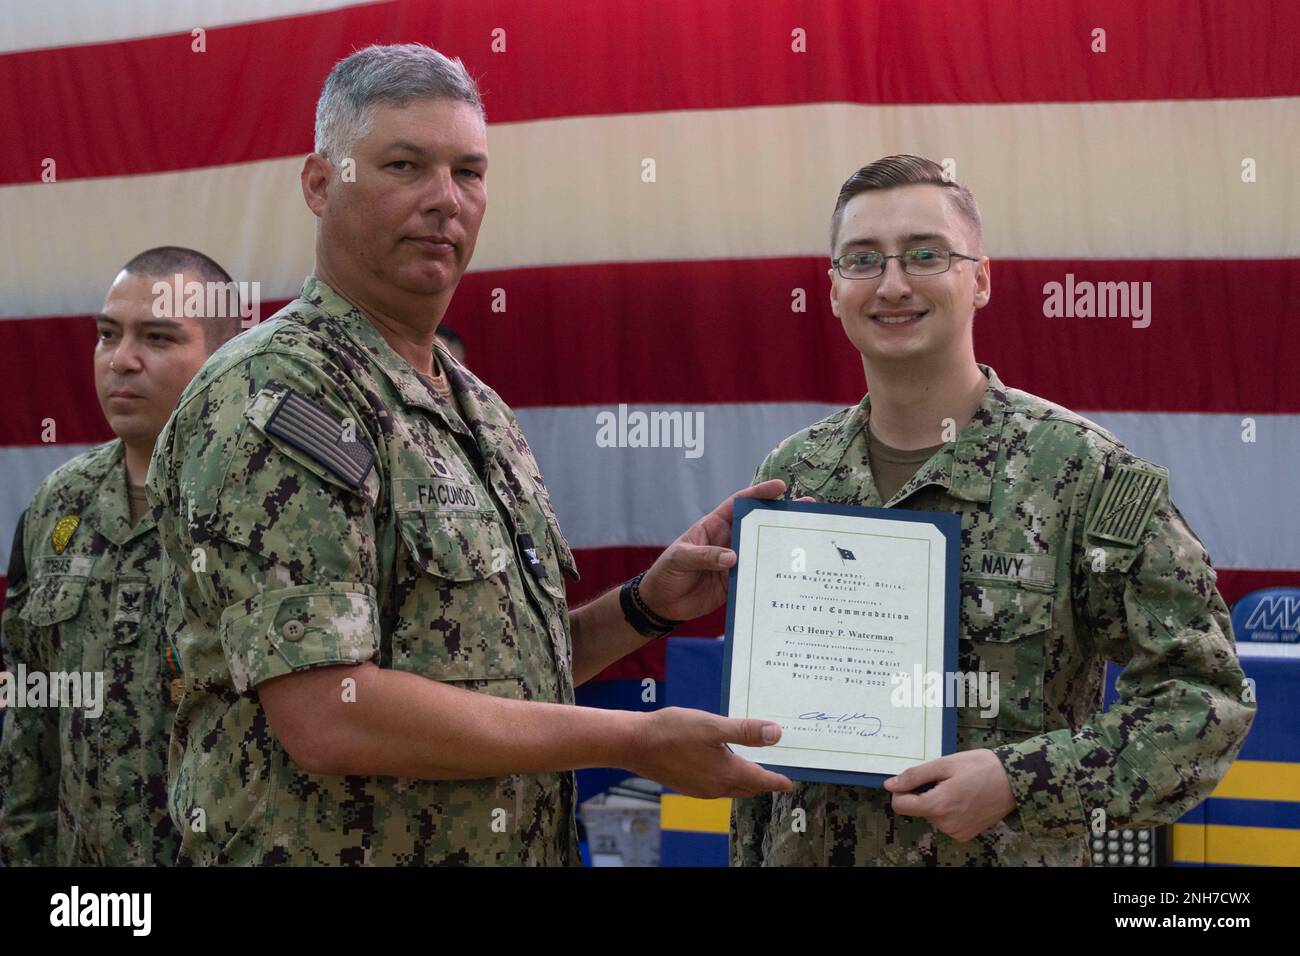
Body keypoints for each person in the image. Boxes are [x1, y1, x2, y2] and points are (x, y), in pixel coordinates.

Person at [148, 43, 792, 866]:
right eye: (405, 165)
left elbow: (497, 677)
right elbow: (329, 712)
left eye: (469, 172)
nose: (444, 200)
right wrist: (632, 740)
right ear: (320, 184)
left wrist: (644, 606)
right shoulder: (279, 392)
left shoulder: (477, 408)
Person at [730, 155, 1256, 866]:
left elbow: (1204, 698)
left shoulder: (1084, 473)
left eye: (925, 255)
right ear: (833, 290)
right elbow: (763, 752)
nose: (892, 284)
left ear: (979, 279)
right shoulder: (793, 472)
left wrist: (1024, 781)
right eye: (863, 259)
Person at [0, 246, 242, 864]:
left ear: (223, 357)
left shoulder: (262, 504)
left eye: (157, 338)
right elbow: (29, 717)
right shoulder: (59, 504)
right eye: (108, 335)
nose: (121, 360)